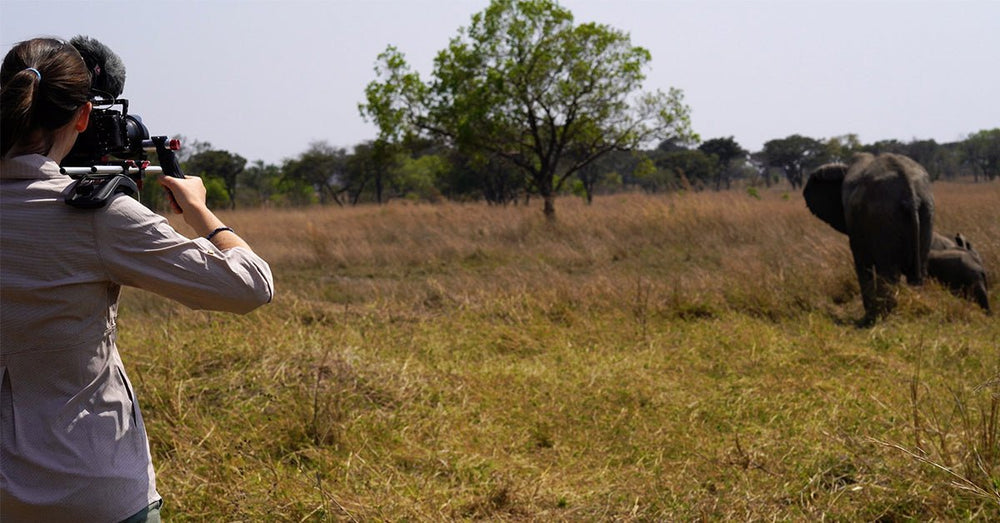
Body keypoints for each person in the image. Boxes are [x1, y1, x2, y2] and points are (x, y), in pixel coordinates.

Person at [0, 38, 274, 522]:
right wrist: (201, 212)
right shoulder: (96, 217)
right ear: (83, 116)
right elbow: (250, 285)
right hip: (91, 487)